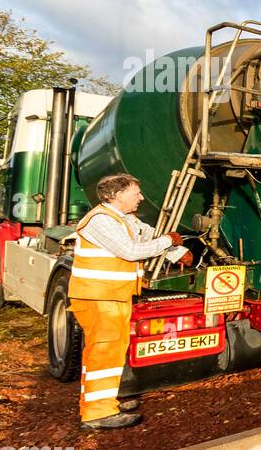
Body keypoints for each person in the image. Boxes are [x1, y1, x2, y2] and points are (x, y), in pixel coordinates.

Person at [68, 173, 191, 430]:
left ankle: (103, 402)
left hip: (112, 295)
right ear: (116, 195)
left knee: (108, 352)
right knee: (104, 353)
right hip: (98, 297)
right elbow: (131, 251)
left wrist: (178, 251)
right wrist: (169, 241)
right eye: (136, 193)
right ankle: (97, 414)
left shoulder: (123, 219)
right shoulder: (100, 221)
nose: (142, 197)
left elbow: (147, 236)